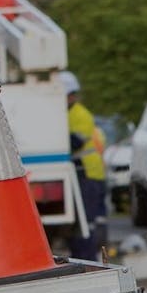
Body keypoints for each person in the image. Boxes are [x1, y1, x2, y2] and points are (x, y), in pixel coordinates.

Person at [58, 70, 107, 261]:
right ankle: (82, 258)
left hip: (87, 174)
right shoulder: (64, 113)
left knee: (86, 223)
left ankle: (89, 261)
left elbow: (73, 143)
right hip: (79, 173)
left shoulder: (81, 115)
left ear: (70, 96)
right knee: (77, 223)